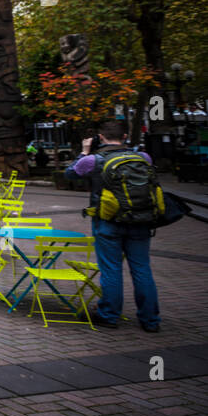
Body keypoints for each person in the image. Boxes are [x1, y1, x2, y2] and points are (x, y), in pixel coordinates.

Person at [65, 120, 160, 331]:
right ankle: (150, 320)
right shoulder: (143, 157)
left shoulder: (93, 160)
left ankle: (109, 314)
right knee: (142, 268)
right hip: (141, 220)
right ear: (125, 136)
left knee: (111, 269)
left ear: (101, 137)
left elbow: (70, 173)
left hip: (108, 221)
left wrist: (83, 151)